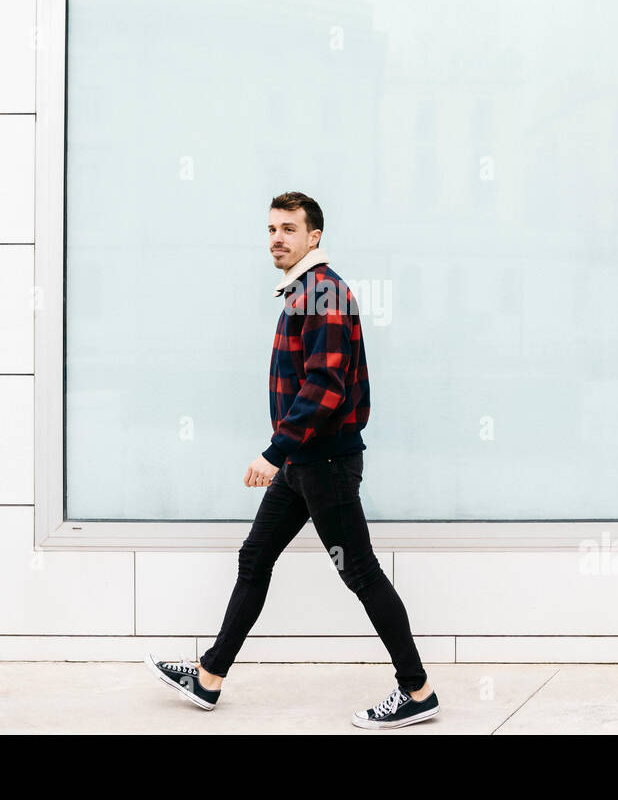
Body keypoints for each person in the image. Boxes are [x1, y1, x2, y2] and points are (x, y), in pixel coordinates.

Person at [146, 192, 439, 730]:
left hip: (322, 463)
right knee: (254, 558)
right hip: (303, 464)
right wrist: (287, 453)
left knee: (362, 574)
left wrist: (275, 450)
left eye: (288, 229)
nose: (277, 238)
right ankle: (209, 678)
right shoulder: (301, 293)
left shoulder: (324, 292)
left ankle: (416, 689)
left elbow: (325, 386)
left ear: (314, 237)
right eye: (271, 229)